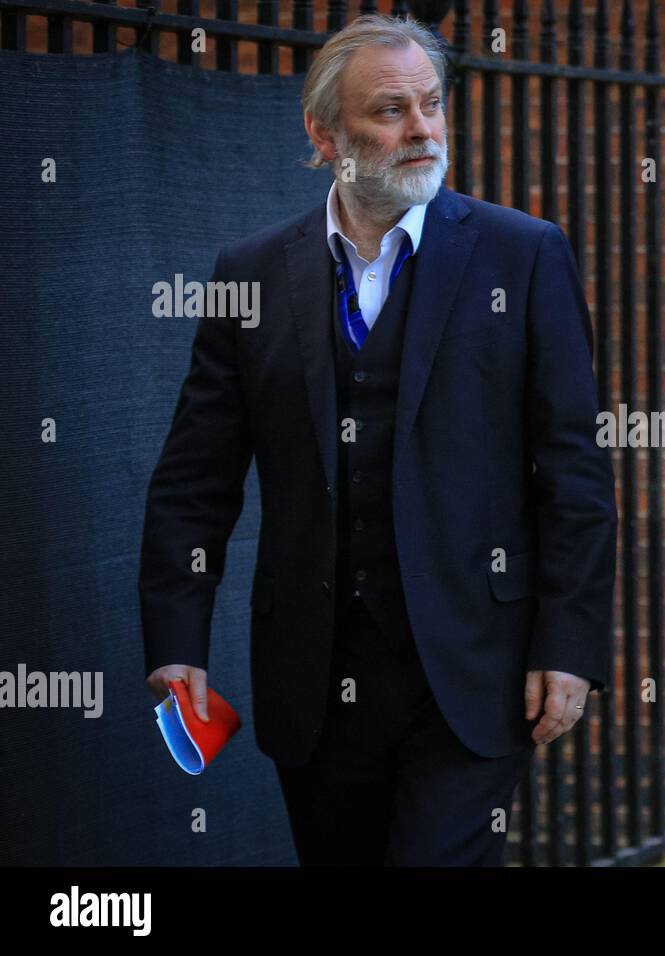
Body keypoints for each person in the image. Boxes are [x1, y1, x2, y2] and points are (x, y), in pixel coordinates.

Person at [138, 13, 617, 866]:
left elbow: (573, 472)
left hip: (472, 671)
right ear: (325, 135)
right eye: (392, 111)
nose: (423, 129)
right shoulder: (250, 274)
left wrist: (569, 646)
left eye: (432, 104)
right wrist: (178, 643)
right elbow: (195, 480)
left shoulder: (523, 256)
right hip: (315, 679)